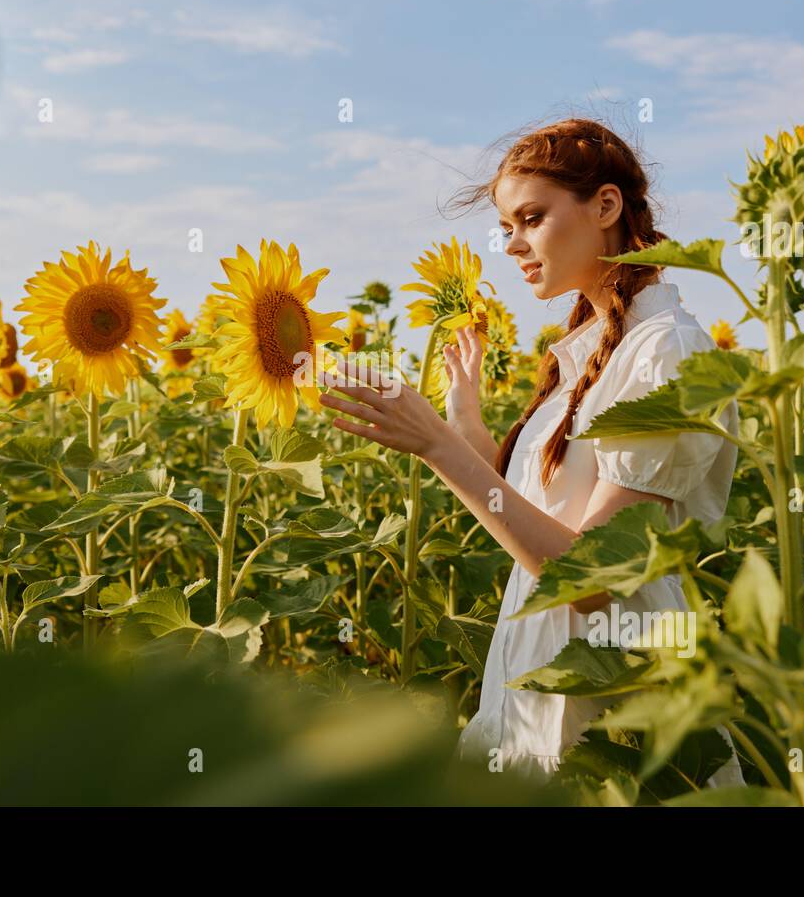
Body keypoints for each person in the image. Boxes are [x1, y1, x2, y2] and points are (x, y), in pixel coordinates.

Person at [319, 117, 745, 789]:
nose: (511, 243)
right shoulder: (587, 355)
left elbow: (592, 576)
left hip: (616, 699)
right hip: (537, 686)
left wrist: (434, 444)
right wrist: (467, 425)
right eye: (507, 225)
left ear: (604, 206)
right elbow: (538, 513)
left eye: (531, 218)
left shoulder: (666, 350)